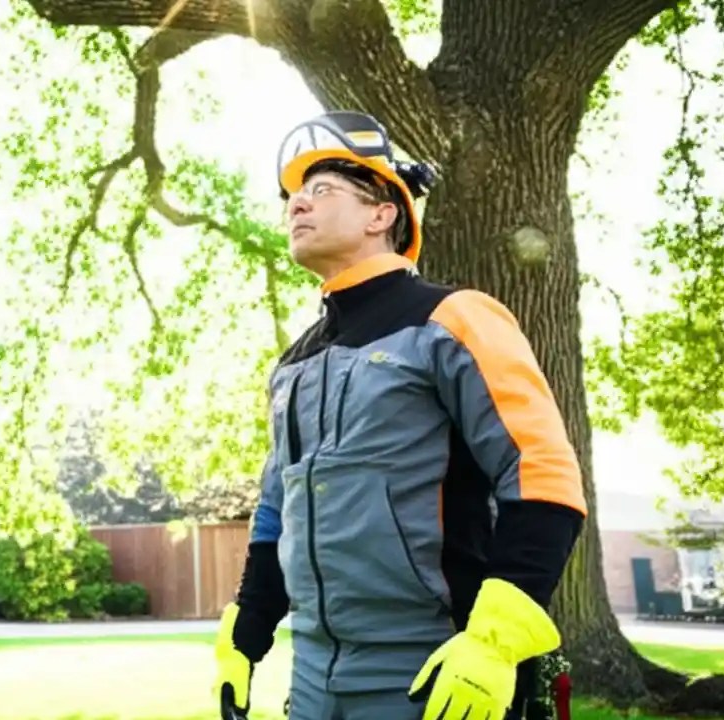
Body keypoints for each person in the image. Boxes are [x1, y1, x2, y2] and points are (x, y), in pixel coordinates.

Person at [212, 110, 588, 720]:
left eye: (322, 190)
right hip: (312, 676)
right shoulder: (293, 362)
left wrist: (492, 645)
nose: (297, 205)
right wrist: (244, 635)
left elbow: (544, 474)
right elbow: (277, 511)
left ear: (382, 214)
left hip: (432, 670)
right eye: (293, 196)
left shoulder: (455, 318)